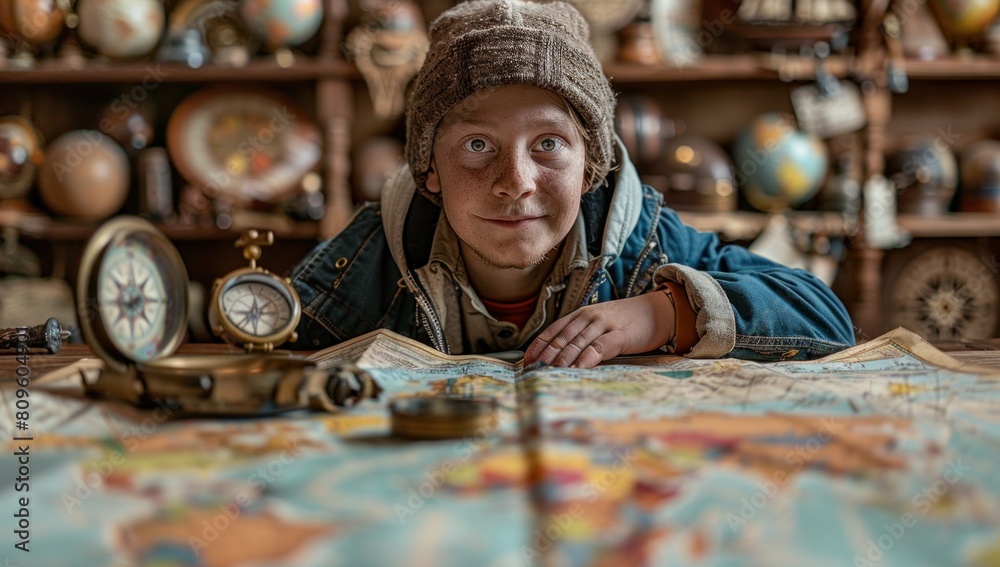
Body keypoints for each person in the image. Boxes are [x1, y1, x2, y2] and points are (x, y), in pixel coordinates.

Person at [288, 0, 855, 367]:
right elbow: (276, 339)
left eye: (549, 145)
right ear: (428, 167)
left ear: (591, 167)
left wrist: (660, 314)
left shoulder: (645, 240)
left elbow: (826, 319)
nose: (515, 183)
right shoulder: (371, 255)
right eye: (478, 145)